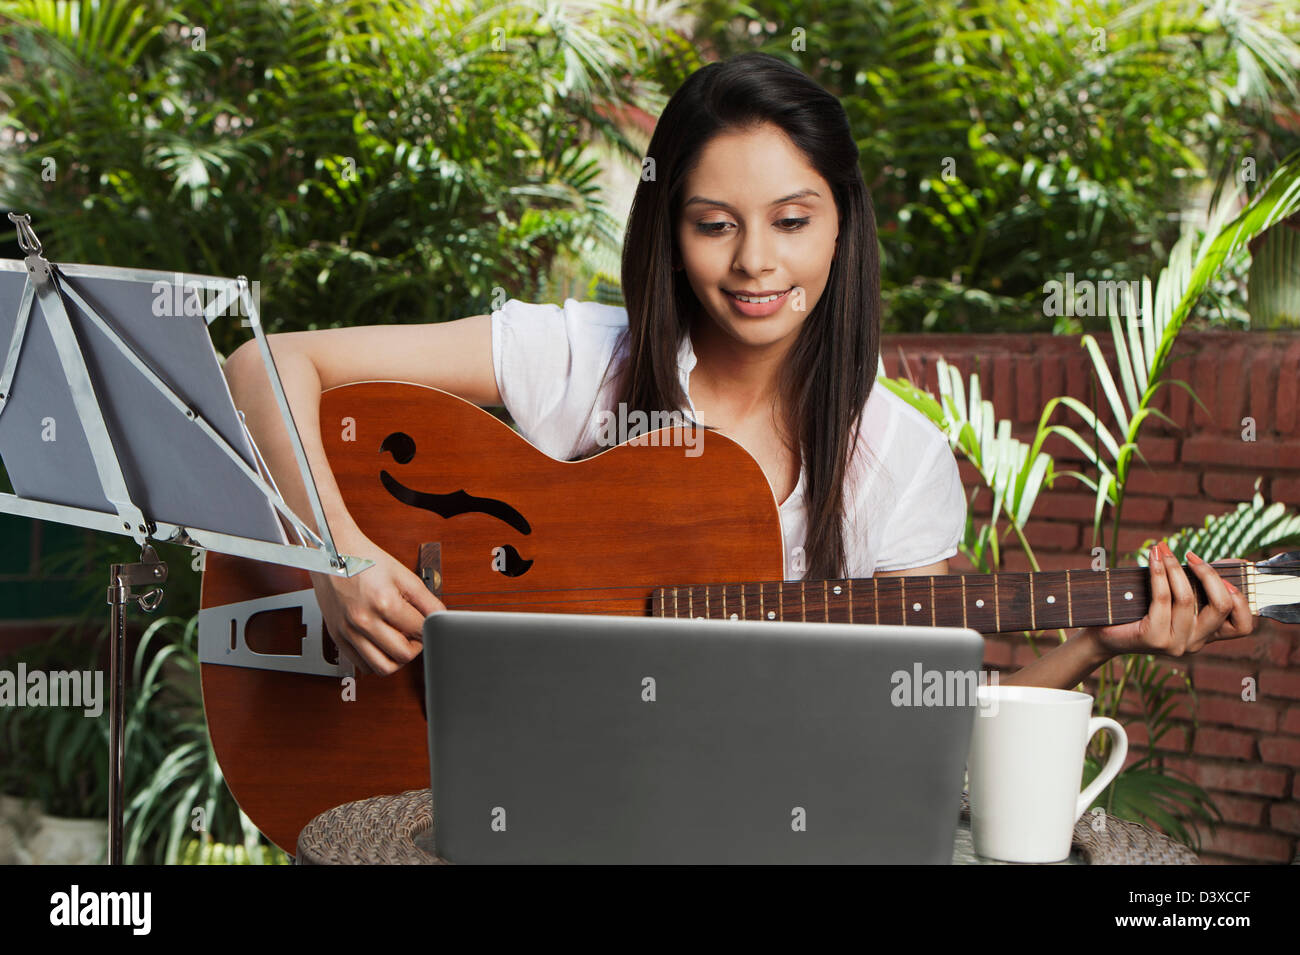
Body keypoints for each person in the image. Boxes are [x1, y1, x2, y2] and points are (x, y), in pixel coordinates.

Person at [223, 51, 1257, 681]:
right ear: (668, 231)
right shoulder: (579, 356)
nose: (756, 262)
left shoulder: (895, 461)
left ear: (842, 227)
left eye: (793, 221)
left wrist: (1098, 641)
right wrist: (338, 558)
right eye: (715, 224)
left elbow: (933, 723)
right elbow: (264, 362)